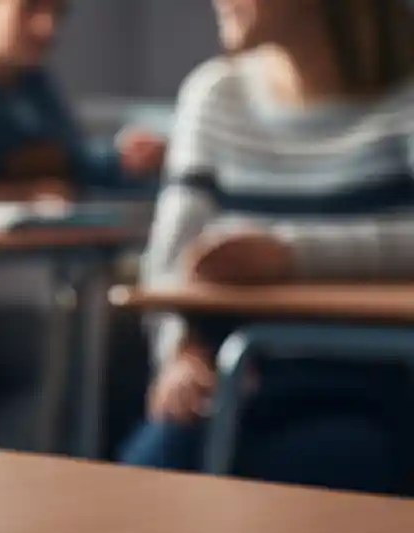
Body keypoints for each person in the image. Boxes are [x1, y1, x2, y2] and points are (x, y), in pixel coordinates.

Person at [120, 0, 414, 495]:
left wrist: (289, 255)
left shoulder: (404, 96)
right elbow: (171, 260)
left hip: (371, 383)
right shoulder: (215, 94)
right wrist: (180, 353)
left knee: (331, 469)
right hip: (235, 380)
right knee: (150, 468)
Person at [0, 0, 165, 201]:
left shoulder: (34, 84)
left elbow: (72, 162)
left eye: (58, 13)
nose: (48, 28)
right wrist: (12, 194)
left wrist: (126, 159)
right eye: (29, 7)